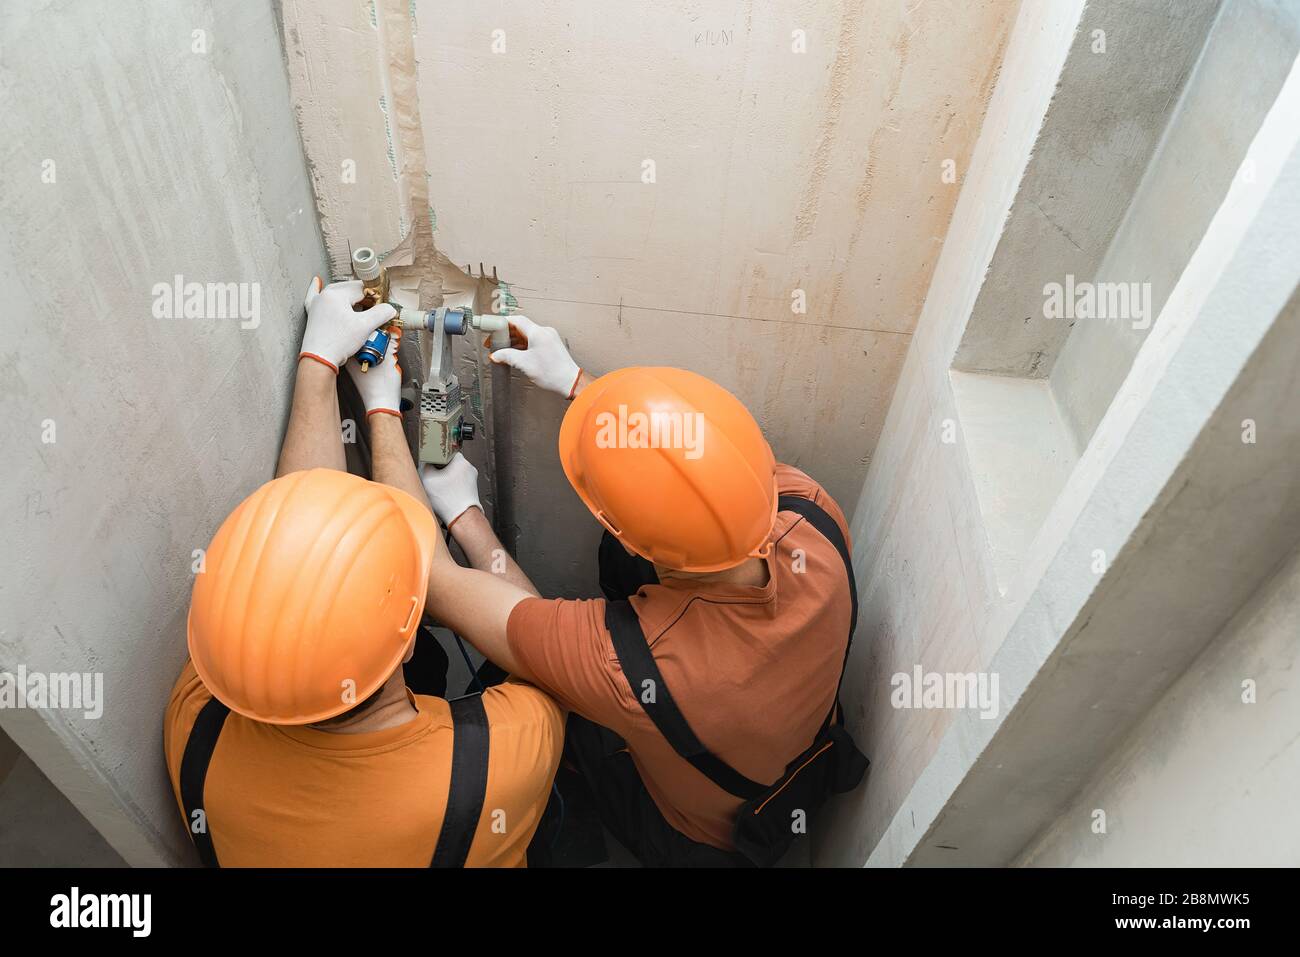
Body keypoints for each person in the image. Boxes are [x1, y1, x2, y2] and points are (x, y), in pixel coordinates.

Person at [420, 317, 866, 867]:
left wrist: (462, 511)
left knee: (529, 688)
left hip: (695, 842)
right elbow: (699, 466)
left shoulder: (631, 664)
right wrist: (582, 386)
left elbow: (448, 589)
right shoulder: (811, 509)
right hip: (795, 759)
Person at [162, 279, 564, 867]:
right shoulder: (495, 761)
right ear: (409, 627)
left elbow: (299, 532)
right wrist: (464, 525)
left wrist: (324, 366)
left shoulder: (194, 722)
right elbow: (554, 659)